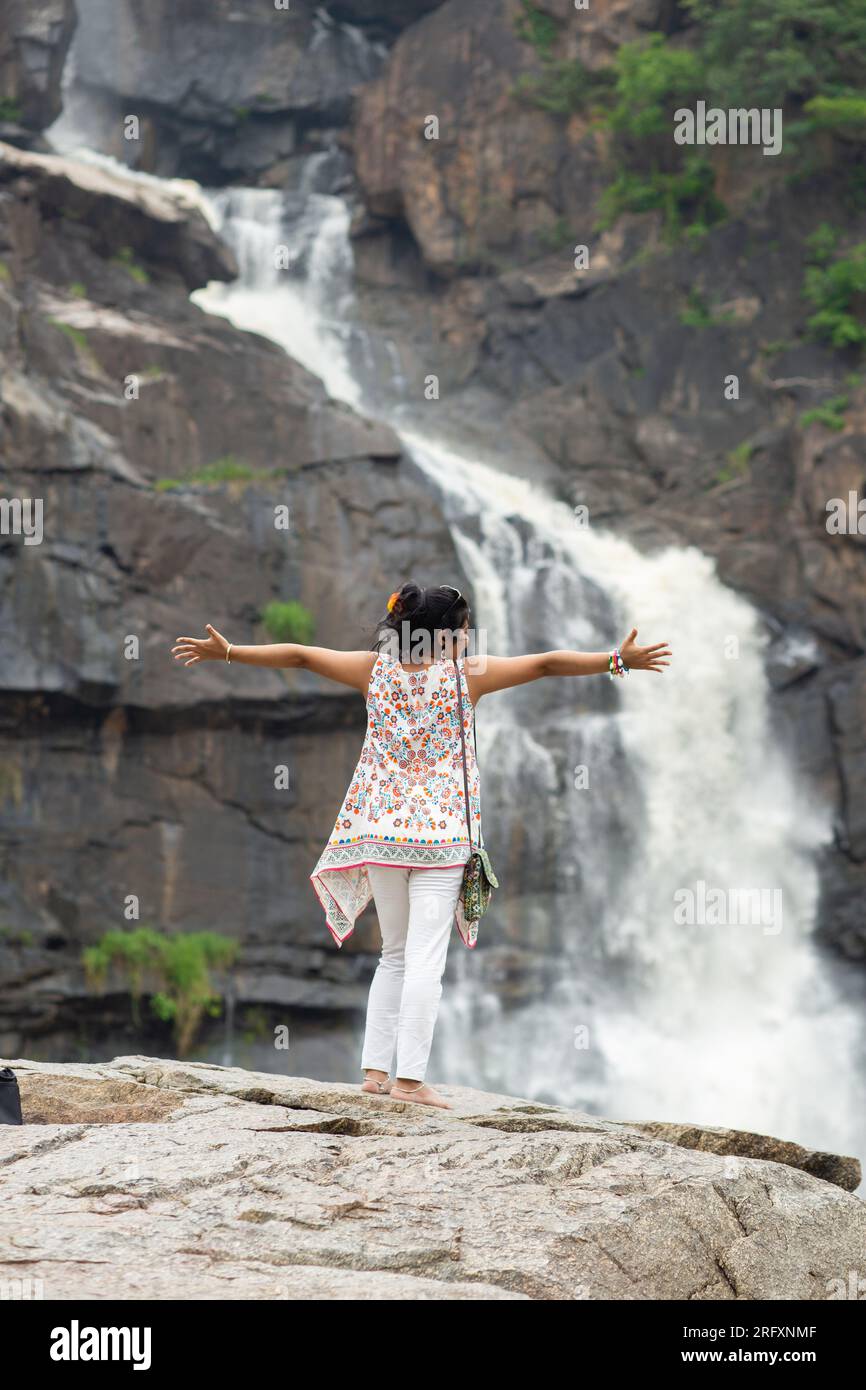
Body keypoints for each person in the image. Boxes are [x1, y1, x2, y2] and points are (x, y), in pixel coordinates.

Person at [172, 582, 671, 1109]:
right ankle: (409, 1082)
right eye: (463, 628)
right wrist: (617, 661)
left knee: (393, 954)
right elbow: (546, 664)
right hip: (441, 840)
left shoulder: (372, 670)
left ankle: (373, 1074)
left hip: (380, 834)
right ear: (447, 635)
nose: (469, 637)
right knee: (425, 960)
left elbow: (298, 655)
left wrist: (227, 652)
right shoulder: (466, 675)